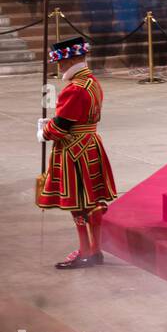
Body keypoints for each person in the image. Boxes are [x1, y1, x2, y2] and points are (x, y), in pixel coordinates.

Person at [36, 36, 118, 269]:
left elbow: (61, 127)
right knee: (93, 202)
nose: (59, 66)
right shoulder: (92, 83)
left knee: (79, 205)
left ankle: (87, 252)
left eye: (61, 62)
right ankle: (94, 249)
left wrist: (44, 131)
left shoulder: (74, 89)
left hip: (75, 151)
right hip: (90, 144)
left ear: (71, 60)